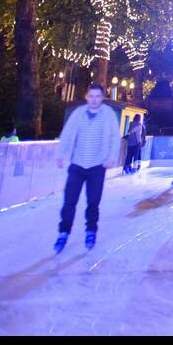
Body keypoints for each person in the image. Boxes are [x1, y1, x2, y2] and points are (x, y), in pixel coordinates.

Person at [54, 84, 121, 252]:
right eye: (91, 96)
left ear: (102, 98)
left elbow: (115, 137)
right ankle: (63, 232)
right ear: (86, 97)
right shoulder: (79, 113)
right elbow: (67, 133)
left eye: (97, 96)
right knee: (69, 201)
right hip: (77, 165)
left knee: (93, 202)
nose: (94, 100)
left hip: (97, 166)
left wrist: (112, 157)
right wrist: (60, 154)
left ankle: (91, 231)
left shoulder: (108, 115)